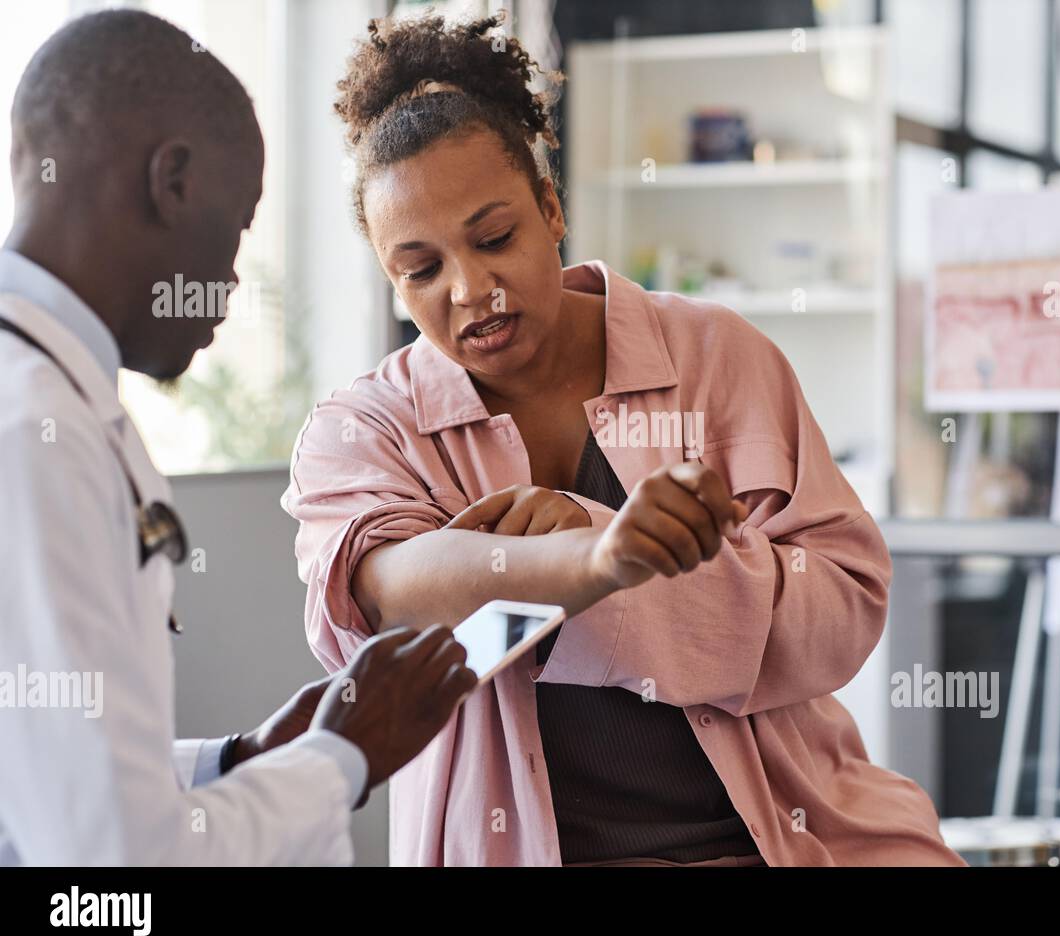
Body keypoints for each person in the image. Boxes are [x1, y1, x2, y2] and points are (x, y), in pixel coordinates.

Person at [282, 11, 963, 867]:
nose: (470, 288)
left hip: (799, 836)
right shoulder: (365, 426)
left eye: (495, 238)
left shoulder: (717, 356)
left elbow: (846, 610)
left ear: (552, 207)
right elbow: (387, 592)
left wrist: (681, 575)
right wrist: (596, 562)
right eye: (420, 269)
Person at [0, 9, 476, 866]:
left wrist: (238, 761)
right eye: (240, 225)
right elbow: (110, 869)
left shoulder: (48, 399)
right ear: (171, 181)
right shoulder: (34, 435)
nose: (230, 279)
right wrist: (346, 758)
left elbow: (38, 774)